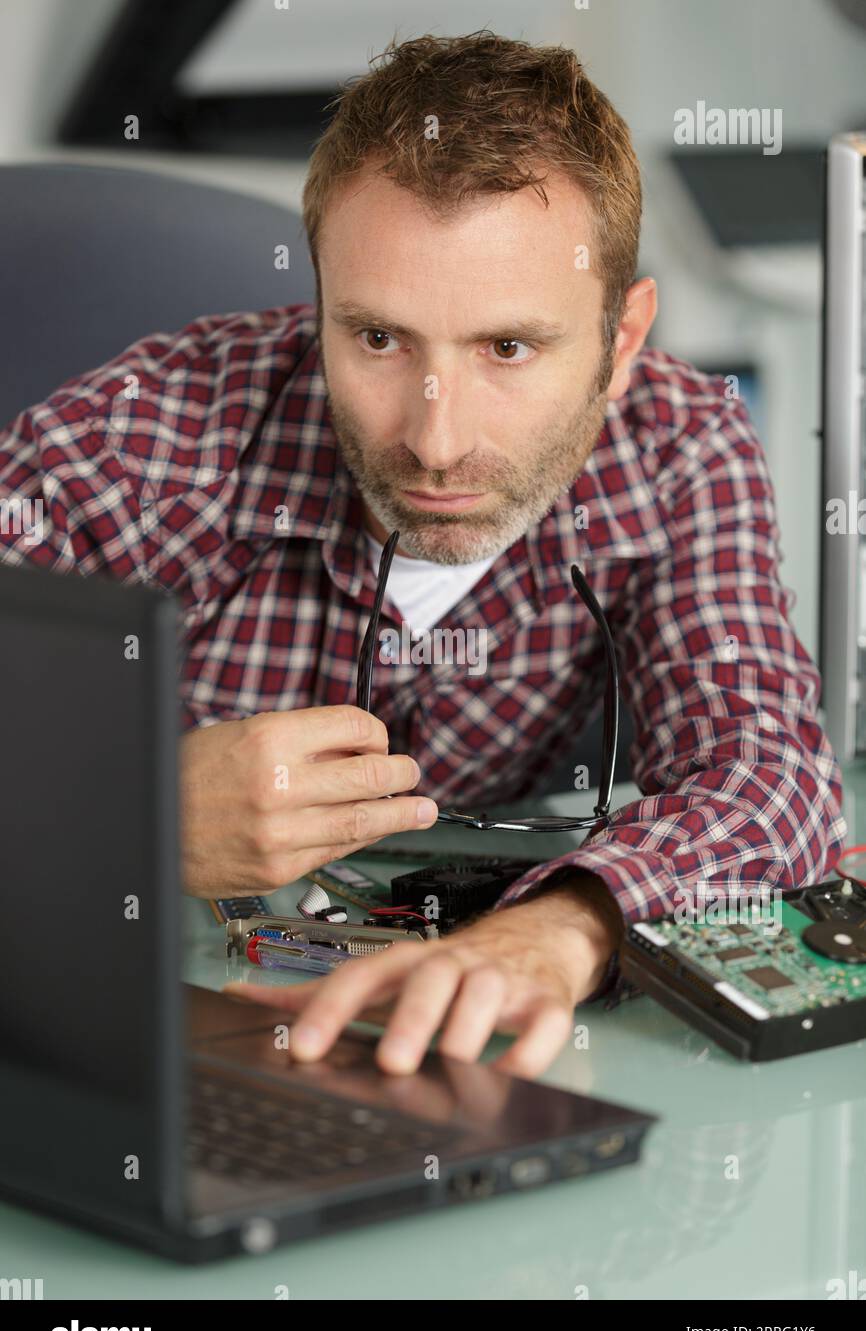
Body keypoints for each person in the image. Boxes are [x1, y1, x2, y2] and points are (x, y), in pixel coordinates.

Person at [0, 31, 845, 1079]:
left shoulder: (679, 445)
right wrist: (130, 809)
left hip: (483, 1070)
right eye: (378, 340)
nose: (435, 442)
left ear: (622, 341)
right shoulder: (141, 436)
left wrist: (566, 930)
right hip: (143, 1046)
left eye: (507, 348)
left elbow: (767, 775)